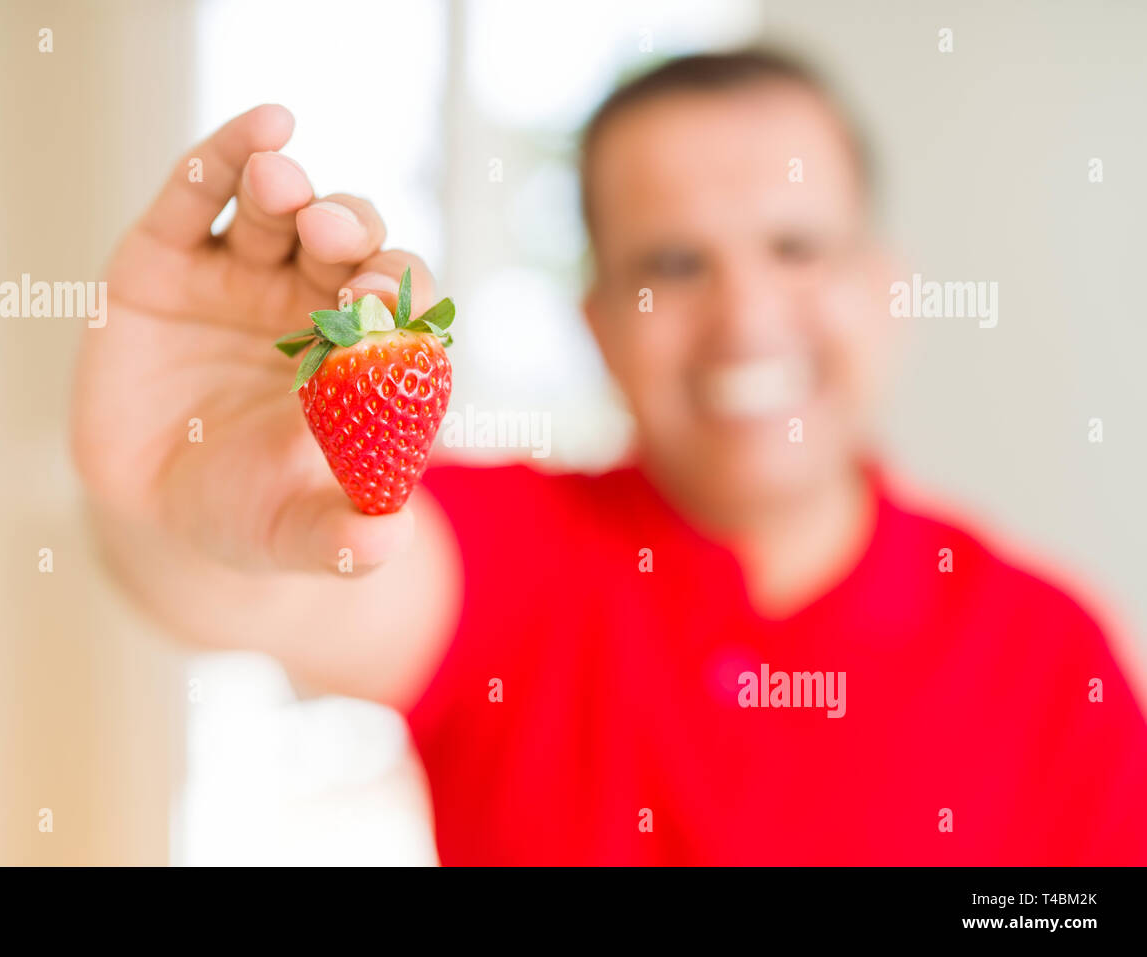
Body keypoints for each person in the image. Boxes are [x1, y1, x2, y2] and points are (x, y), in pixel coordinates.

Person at [71, 49, 1147, 865]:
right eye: (674, 264)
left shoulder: (1050, 658)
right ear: (599, 323)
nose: (745, 317)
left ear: (883, 287)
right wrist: (177, 488)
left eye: (796, 248)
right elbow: (280, 581)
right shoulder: (515, 562)